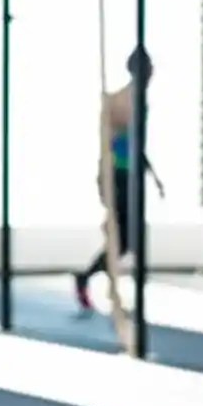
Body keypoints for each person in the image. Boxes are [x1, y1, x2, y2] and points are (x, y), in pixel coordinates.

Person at [74, 49, 166, 313]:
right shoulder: (123, 100)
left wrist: (154, 177)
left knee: (127, 236)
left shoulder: (135, 100)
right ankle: (90, 277)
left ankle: (101, 281)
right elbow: (116, 144)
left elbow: (137, 145)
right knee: (124, 236)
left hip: (128, 174)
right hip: (119, 176)